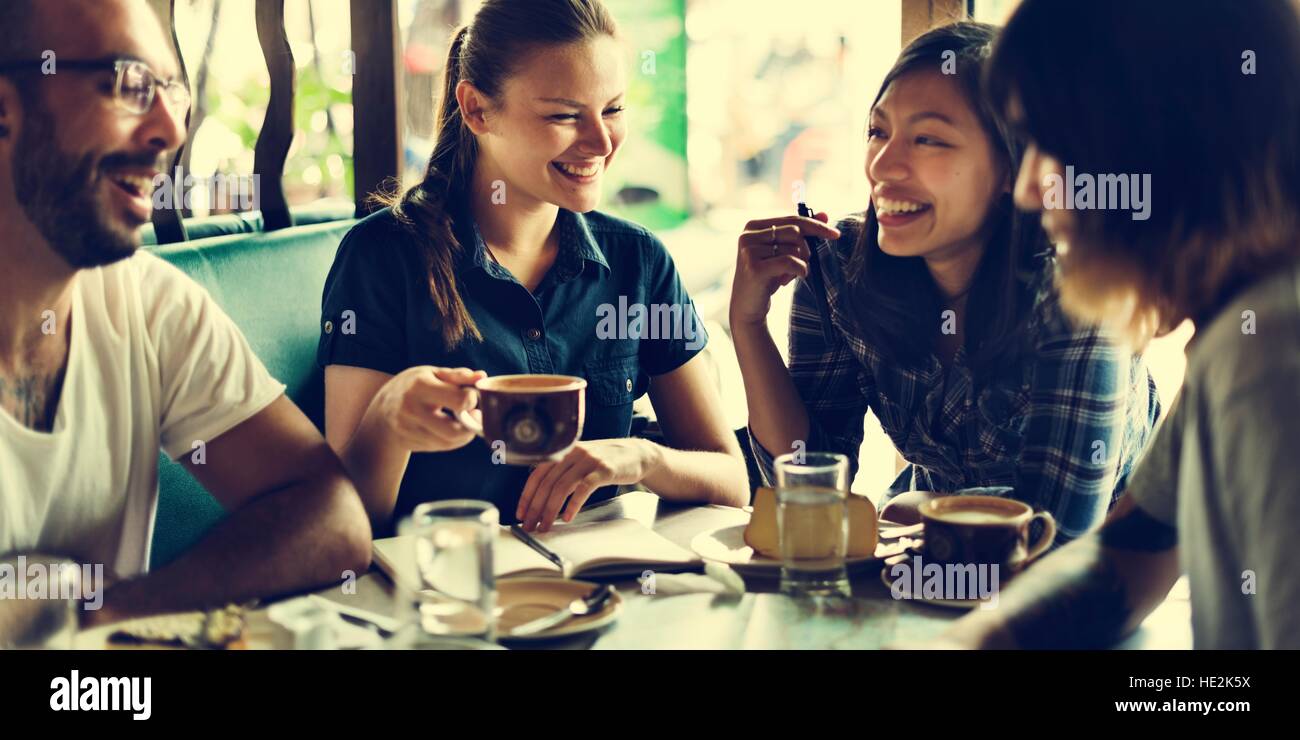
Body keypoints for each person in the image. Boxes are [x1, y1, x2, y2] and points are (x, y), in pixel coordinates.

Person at [937, 0, 1300, 649]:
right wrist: (965, 645)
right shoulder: (1240, 330)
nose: (1027, 189)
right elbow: (1128, 558)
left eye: (1051, 145)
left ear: (1151, 146)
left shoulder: (1272, 351)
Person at [0, 0, 371, 626]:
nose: (170, 129)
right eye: (128, 84)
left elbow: (332, 517)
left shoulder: (145, 301)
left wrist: (105, 614)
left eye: (172, 90)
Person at [319, 0, 748, 535]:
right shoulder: (381, 257)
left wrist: (642, 459)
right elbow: (342, 525)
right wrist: (389, 421)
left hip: (602, 592)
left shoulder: (637, 260)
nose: (601, 142)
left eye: (612, 109)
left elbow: (732, 481)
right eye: (564, 115)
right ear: (477, 110)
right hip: (449, 594)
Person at [730, 22, 1159, 542]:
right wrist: (749, 324)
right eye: (877, 131)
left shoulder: (1081, 298)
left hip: (1091, 592)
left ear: (1012, 170)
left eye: (928, 139)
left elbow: (1057, 533)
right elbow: (807, 484)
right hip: (927, 564)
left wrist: (920, 504)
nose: (883, 166)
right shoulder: (840, 270)